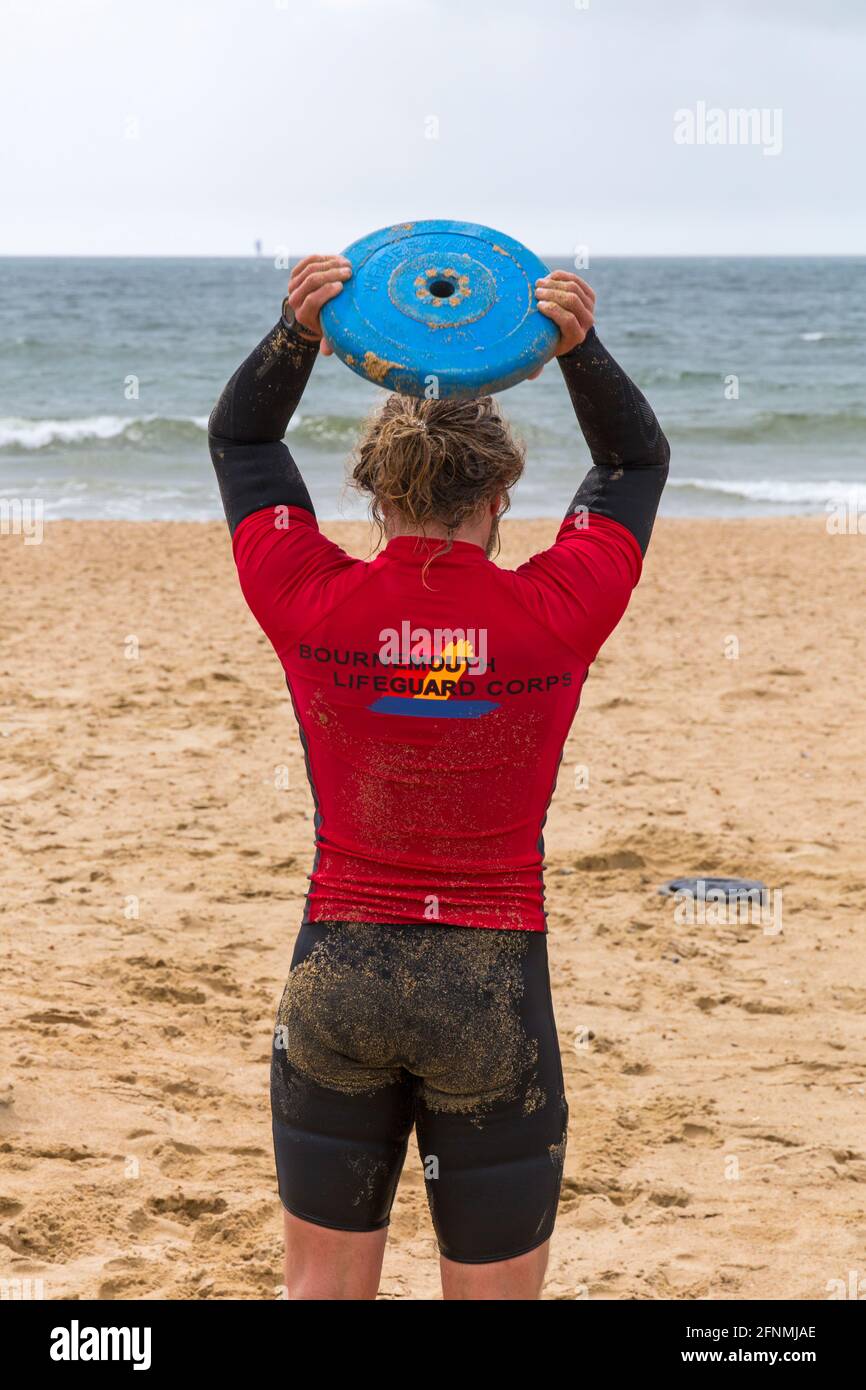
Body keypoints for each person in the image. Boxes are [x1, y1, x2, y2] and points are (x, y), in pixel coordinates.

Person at [208, 254, 669, 1301]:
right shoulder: (554, 610)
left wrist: (297, 333)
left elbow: (242, 441)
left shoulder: (307, 597)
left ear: (369, 490)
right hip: (491, 989)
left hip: (338, 975)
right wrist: (575, 346)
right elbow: (632, 466)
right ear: (502, 491)